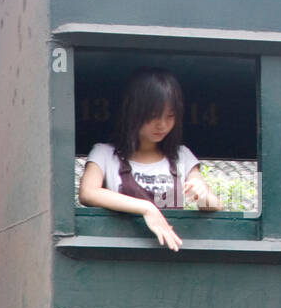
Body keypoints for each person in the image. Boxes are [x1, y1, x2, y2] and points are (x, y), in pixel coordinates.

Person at [78, 67, 221, 252]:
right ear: (133, 112)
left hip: (172, 253)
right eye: (153, 116)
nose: (162, 125)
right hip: (121, 252)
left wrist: (202, 196)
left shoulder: (182, 155)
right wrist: (146, 208)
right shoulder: (104, 154)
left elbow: (214, 204)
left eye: (170, 116)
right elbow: (88, 193)